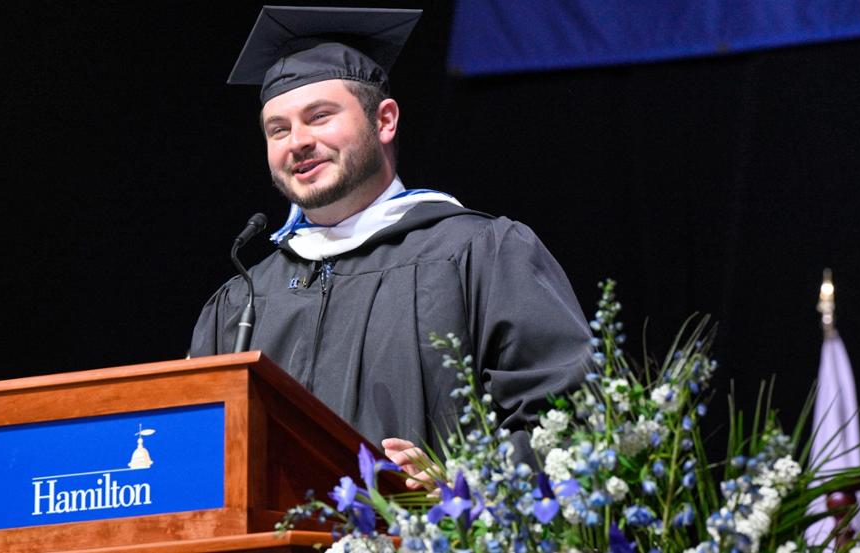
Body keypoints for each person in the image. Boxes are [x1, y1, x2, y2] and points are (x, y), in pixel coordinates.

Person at [189, 6, 591, 487]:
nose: (298, 141)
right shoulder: (241, 301)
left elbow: (570, 424)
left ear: (384, 120)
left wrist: (463, 484)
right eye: (279, 129)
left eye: (319, 117)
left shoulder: (479, 254)